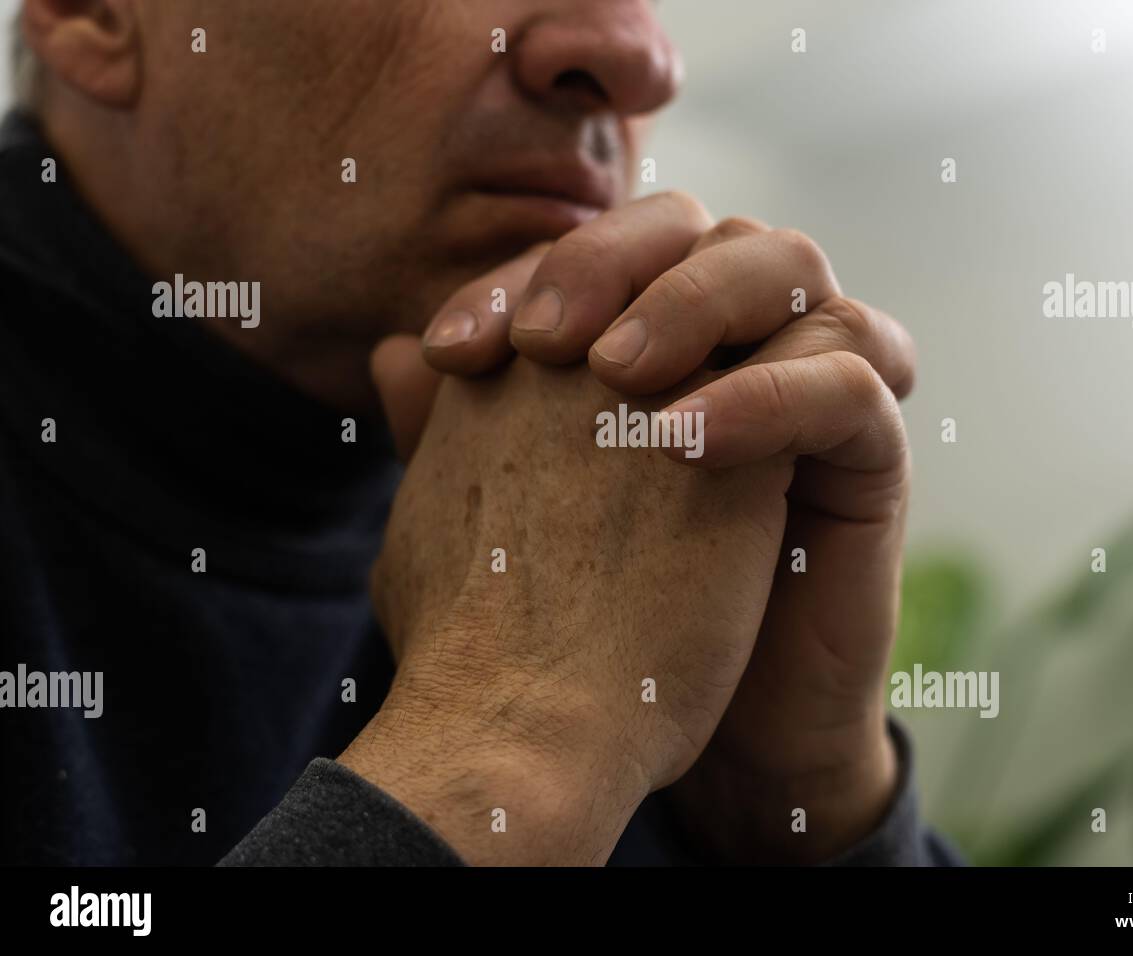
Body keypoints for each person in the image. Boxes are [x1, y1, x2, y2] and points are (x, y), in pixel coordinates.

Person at [0, 0, 958, 866]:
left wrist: (799, 813)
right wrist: (509, 744)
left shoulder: (658, 493)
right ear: (92, 14)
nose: (640, 58)